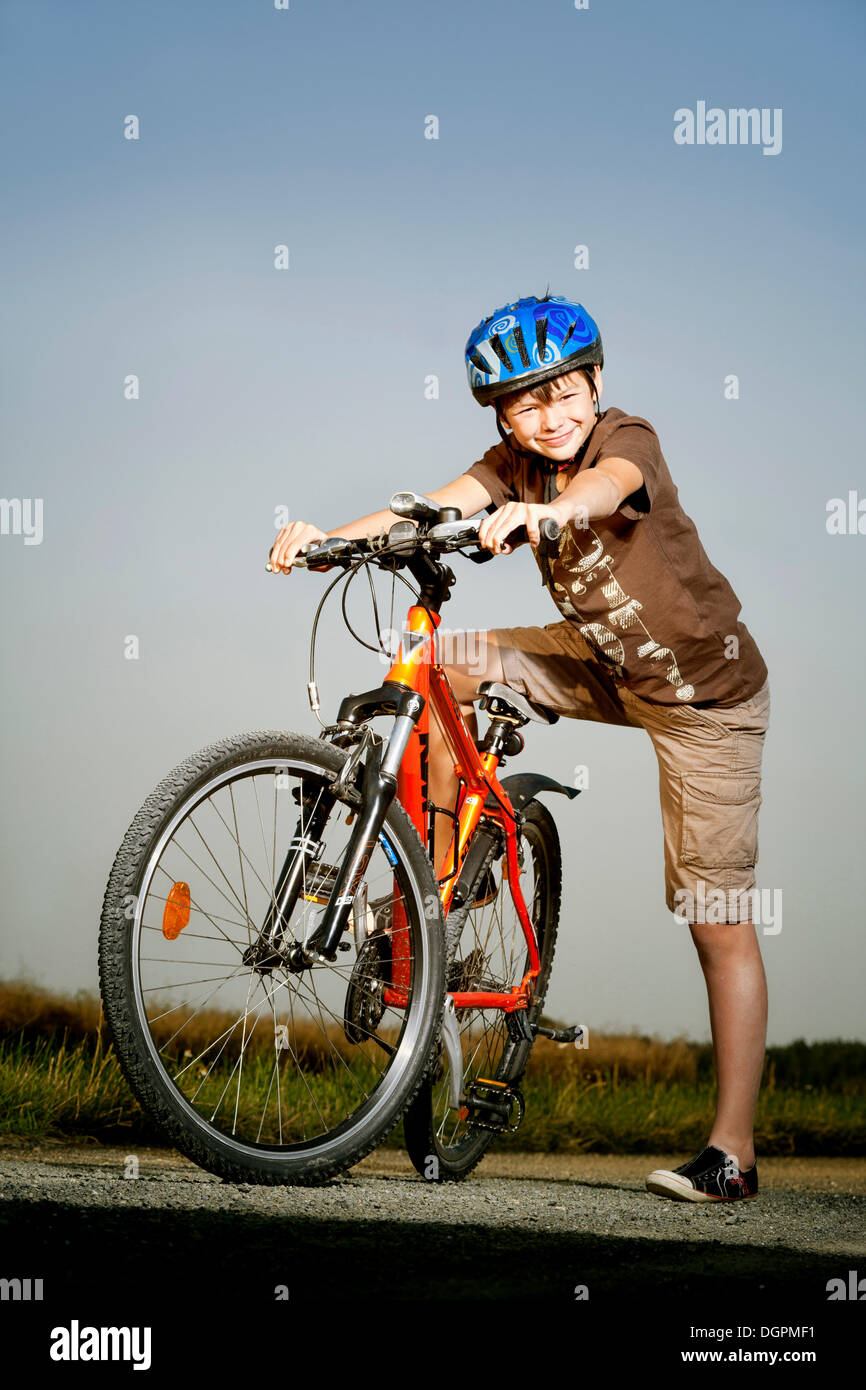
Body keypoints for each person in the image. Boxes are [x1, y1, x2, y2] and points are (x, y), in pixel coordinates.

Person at [268, 292, 771, 1204]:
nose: (548, 418)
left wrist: (548, 516)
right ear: (500, 414)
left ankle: (731, 1152)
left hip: (706, 695)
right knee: (440, 666)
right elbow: (423, 509)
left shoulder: (627, 438)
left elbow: (604, 487)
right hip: (599, 662)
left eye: (563, 393)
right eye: (523, 405)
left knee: (715, 917)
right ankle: (447, 884)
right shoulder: (507, 464)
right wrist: (322, 540)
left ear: (596, 383)